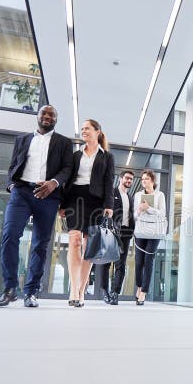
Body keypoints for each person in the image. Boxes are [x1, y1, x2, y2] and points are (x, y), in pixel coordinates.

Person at [0, 105, 73, 308]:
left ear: (56, 119)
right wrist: (12, 185)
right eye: (44, 114)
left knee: (40, 244)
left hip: (49, 195)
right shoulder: (22, 139)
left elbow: (67, 169)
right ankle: (9, 288)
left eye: (51, 115)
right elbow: (13, 166)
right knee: (10, 235)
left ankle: (31, 292)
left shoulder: (63, 142)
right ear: (37, 117)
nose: (47, 117)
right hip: (22, 193)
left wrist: (53, 183)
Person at [61, 119, 114, 307]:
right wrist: (62, 204)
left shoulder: (107, 157)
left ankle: (82, 290)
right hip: (75, 198)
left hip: (96, 202)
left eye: (87, 128)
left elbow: (109, 182)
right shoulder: (76, 155)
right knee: (74, 241)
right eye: (82, 129)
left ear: (97, 132)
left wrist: (109, 205)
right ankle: (74, 289)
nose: (84, 131)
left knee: (88, 247)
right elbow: (67, 180)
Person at [99, 170, 135, 305]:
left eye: (131, 179)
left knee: (121, 264)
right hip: (111, 232)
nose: (129, 181)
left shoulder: (130, 197)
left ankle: (115, 293)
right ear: (121, 178)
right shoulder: (112, 193)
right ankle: (105, 292)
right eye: (127, 178)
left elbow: (130, 216)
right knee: (106, 262)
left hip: (125, 234)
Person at [133, 169, 166, 305]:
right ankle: (139, 287)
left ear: (153, 181)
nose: (144, 181)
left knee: (148, 260)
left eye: (146, 179)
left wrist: (149, 208)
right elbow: (135, 216)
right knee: (139, 261)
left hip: (154, 231)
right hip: (141, 230)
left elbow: (162, 214)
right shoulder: (137, 195)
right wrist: (139, 210)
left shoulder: (160, 195)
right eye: (142, 179)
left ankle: (144, 292)